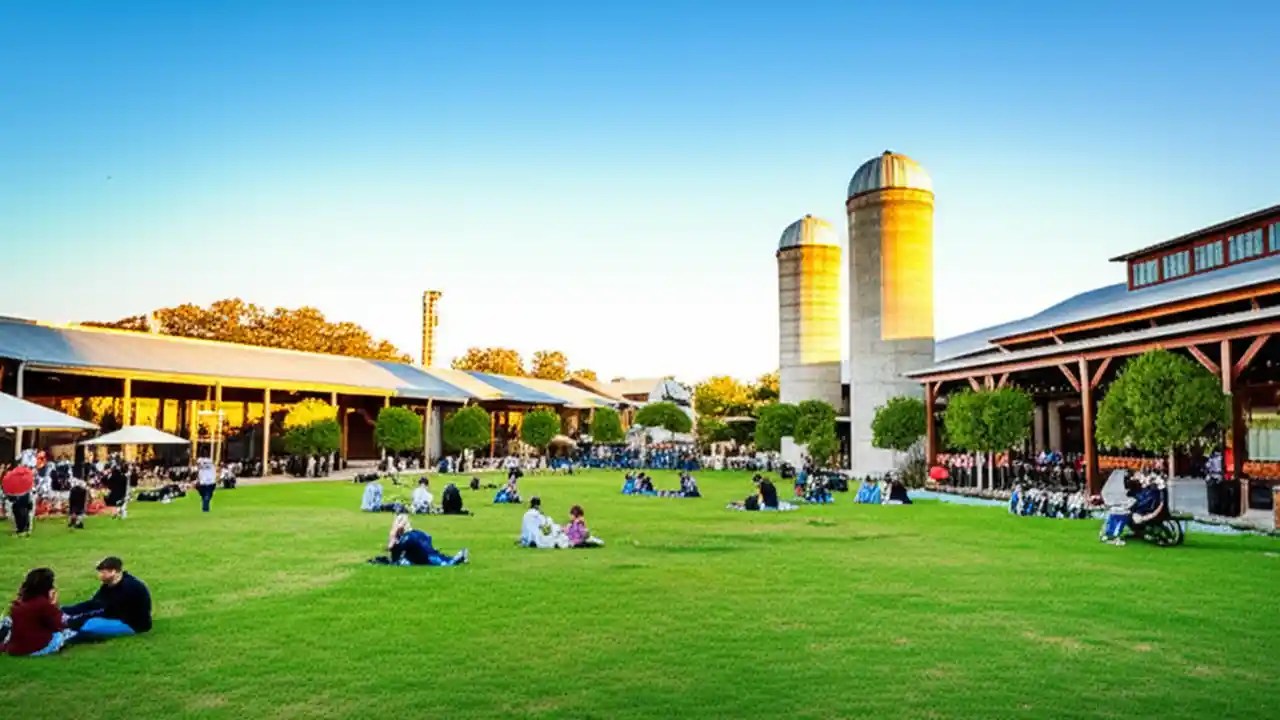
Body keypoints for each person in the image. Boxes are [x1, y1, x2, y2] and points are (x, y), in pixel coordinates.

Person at [61, 556, 152, 641]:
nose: (100, 576)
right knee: (85, 621)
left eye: (103, 572)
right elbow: (94, 603)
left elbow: (104, 609)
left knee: (88, 625)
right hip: (118, 617)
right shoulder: (110, 585)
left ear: (114, 572)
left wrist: (76, 620)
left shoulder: (129, 587)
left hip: (132, 625)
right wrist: (67, 610)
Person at [1, 568, 76, 657]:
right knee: (65, 634)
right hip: (35, 648)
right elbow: (58, 624)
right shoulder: (42, 603)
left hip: (15, 648)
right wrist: (54, 603)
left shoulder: (20, 602)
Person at [379, 514, 468, 566]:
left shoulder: (407, 538)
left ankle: (456, 559)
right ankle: (458, 557)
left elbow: (393, 554)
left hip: (428, 559)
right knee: (444, 559)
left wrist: (393, 533)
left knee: (445, 563)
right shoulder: (420, 533)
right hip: (432, 555)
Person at [2, 452, 36, 537]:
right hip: (26, 495)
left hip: (16, 496)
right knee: (27, 513)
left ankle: (19, 529)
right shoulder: (29, 473)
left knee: (17, 513)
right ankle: (26, 529)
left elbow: (6, 486)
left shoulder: (10, 474)